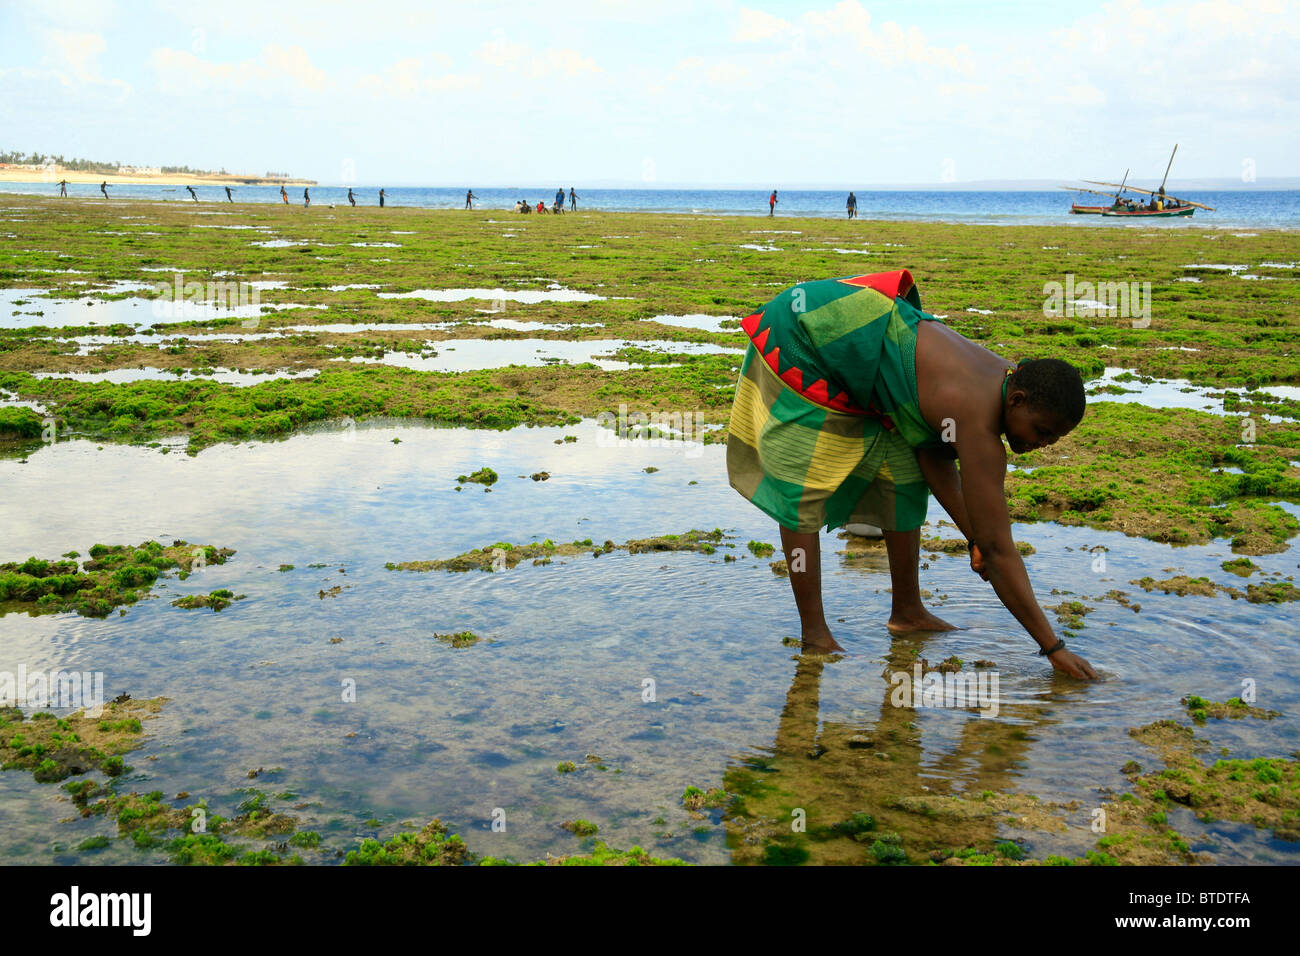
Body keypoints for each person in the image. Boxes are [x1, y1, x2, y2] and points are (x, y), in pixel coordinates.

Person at [725, 269, 1096, 678]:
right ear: (1019, 399)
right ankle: (814, 634)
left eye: (1054, 439)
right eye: (1041, 431)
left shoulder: (1005, 383)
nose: (1043, 444)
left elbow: (933, 456)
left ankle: (907, 612)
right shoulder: (977, 425)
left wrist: (973, 536)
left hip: (868, 351)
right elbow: (999, 550)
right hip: (808, 335)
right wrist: (1053, 647)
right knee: (804, 491)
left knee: (900, 477)